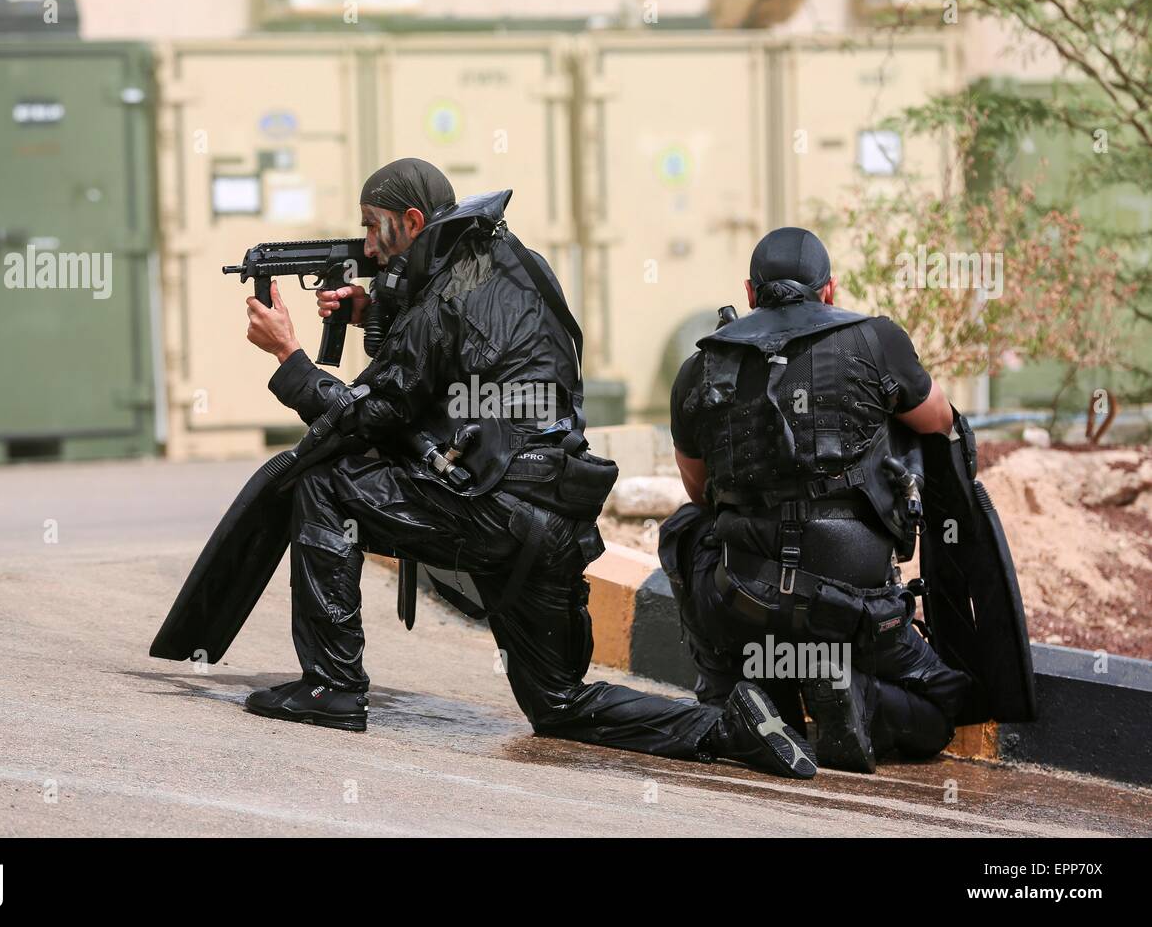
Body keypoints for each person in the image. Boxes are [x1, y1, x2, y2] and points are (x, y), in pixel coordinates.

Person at [239, 157, 816, 779]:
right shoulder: (514, 264)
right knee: (559, 705)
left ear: (412, 220)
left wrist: (290, 357)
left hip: (495, 508)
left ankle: (331, 688)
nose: (370, 248)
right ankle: (732, 727)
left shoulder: (442, 299)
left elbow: (366, 416)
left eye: (375, 229)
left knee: (324, 483)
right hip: (556, 510)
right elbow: (457, 348)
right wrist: (371, 309)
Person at [661, 226, 972, 773]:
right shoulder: (877, 340)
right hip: (857, 601)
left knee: (685, 528)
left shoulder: (698, 368)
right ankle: (858, 696)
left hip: (745, 595)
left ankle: (733, 687)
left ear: (750, 293)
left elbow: (697, 488)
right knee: (941, 708)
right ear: (830, 291)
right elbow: (941, 420)